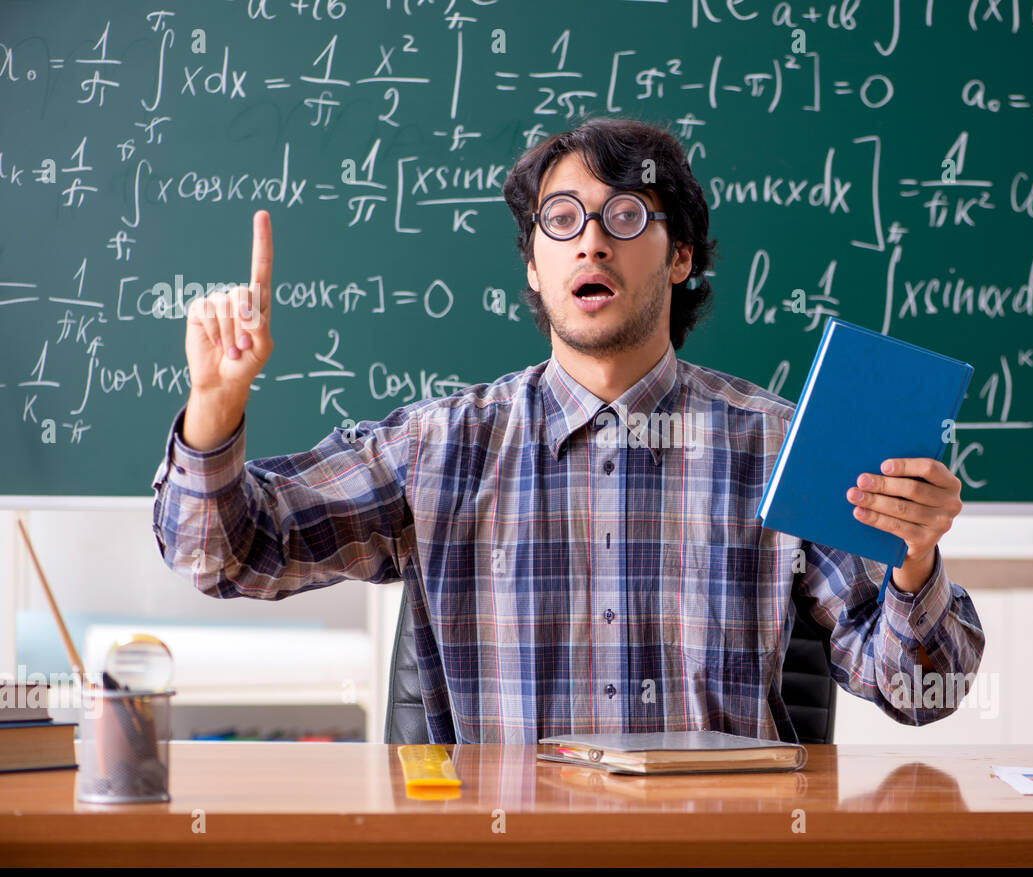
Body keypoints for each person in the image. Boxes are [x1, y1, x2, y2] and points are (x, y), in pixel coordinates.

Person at [152, 116, 985, 744]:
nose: (590, 240)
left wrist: (913, 560)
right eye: (562, 220)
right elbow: (219, 554)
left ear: (682, 256)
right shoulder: (442, 449)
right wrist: (216, 406)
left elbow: (921, 692)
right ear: (532, 265)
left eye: (626, 217)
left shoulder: (776, 447)